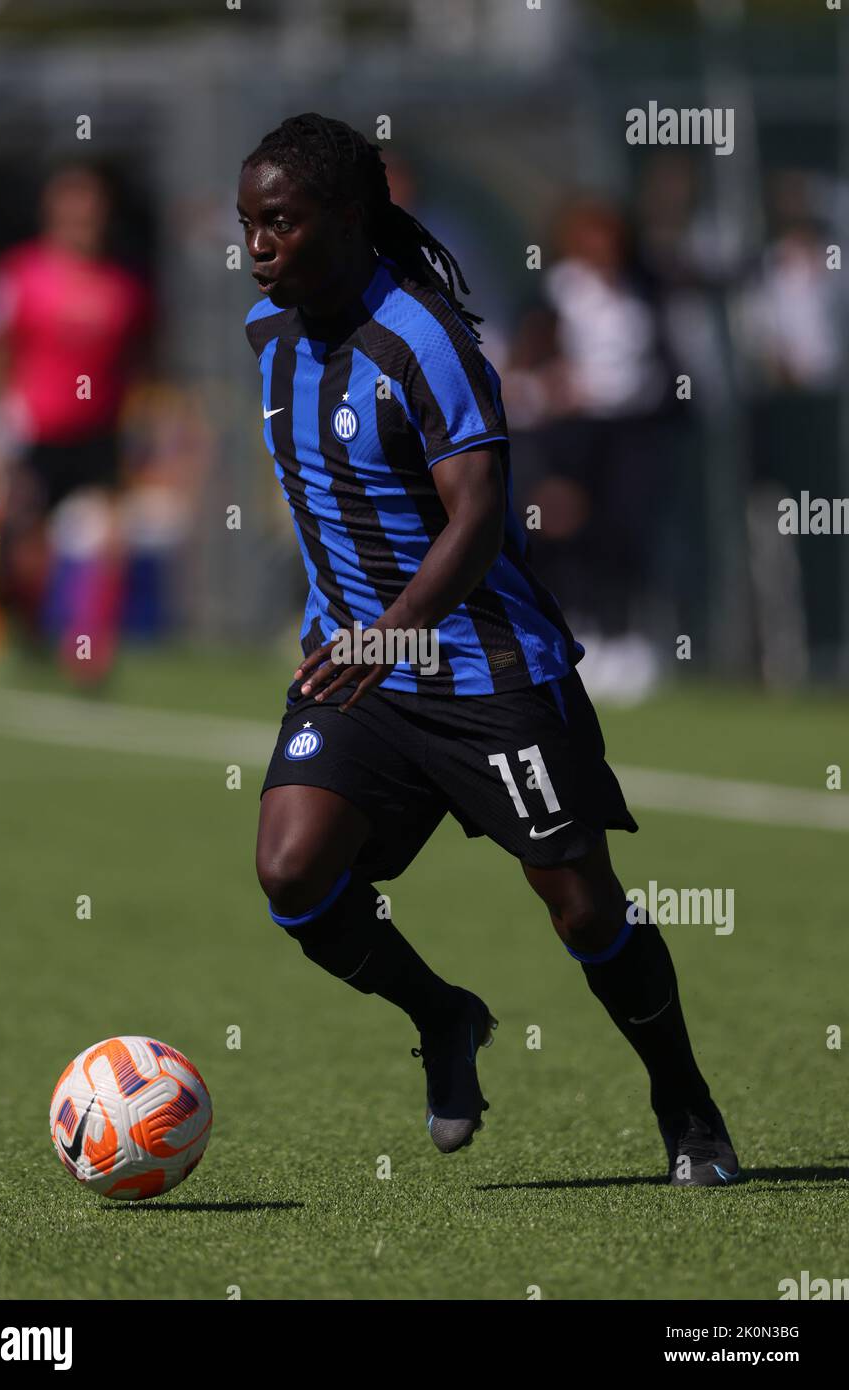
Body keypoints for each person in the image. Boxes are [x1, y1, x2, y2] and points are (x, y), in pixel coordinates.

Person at [239, 113, 738, 1185]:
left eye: (278, 223)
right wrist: (356, 634)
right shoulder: (264, 333)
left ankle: (685, 1102)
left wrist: (395, 630)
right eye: (247, 225)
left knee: (583, 906)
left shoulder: (425, 338)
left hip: (482, 670)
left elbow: (475, 518)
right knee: (291, 872)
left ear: (347, 217)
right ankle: (444, 1016)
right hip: (355, 669)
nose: (258, 246)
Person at [0, 162, 152, 683]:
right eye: (71, 203)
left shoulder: (124, 288)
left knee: (111, 541)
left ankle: (89, 654)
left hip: (98, 435)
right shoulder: (19, 274)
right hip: (35, 433)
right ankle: (25, 624)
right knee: (28, 558)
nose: (82, 215)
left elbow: (136, 358)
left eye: (90, 204)